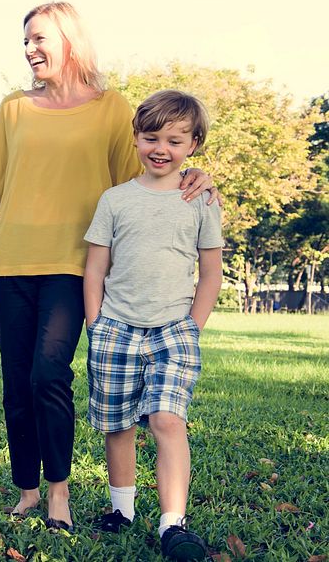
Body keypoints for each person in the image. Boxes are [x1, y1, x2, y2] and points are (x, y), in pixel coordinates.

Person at [0, 2, 217, 531]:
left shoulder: (113, 108)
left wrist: (199, 176)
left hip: (76, 264)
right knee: (16, 382)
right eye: (25, 39)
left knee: (50, 374)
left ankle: (59, 493)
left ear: (70, 41)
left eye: (39, 38)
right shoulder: (13, 109)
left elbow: (147, 169)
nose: (29, 48)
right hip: (10, 264)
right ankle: (27, 489)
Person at [83, 91, 221, 560]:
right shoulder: (115, 199)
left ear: (193, 144)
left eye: (175, 140)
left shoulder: (200, 200)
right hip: (116, 328)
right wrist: (95, 323)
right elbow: (95, 268)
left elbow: (210, 272)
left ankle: (172, 524)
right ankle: (122, 509)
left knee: (166, 419)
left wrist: (193, 327)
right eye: (151, 137)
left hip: (173, 331)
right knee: (117, 425)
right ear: (137, 139)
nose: (161, 148)